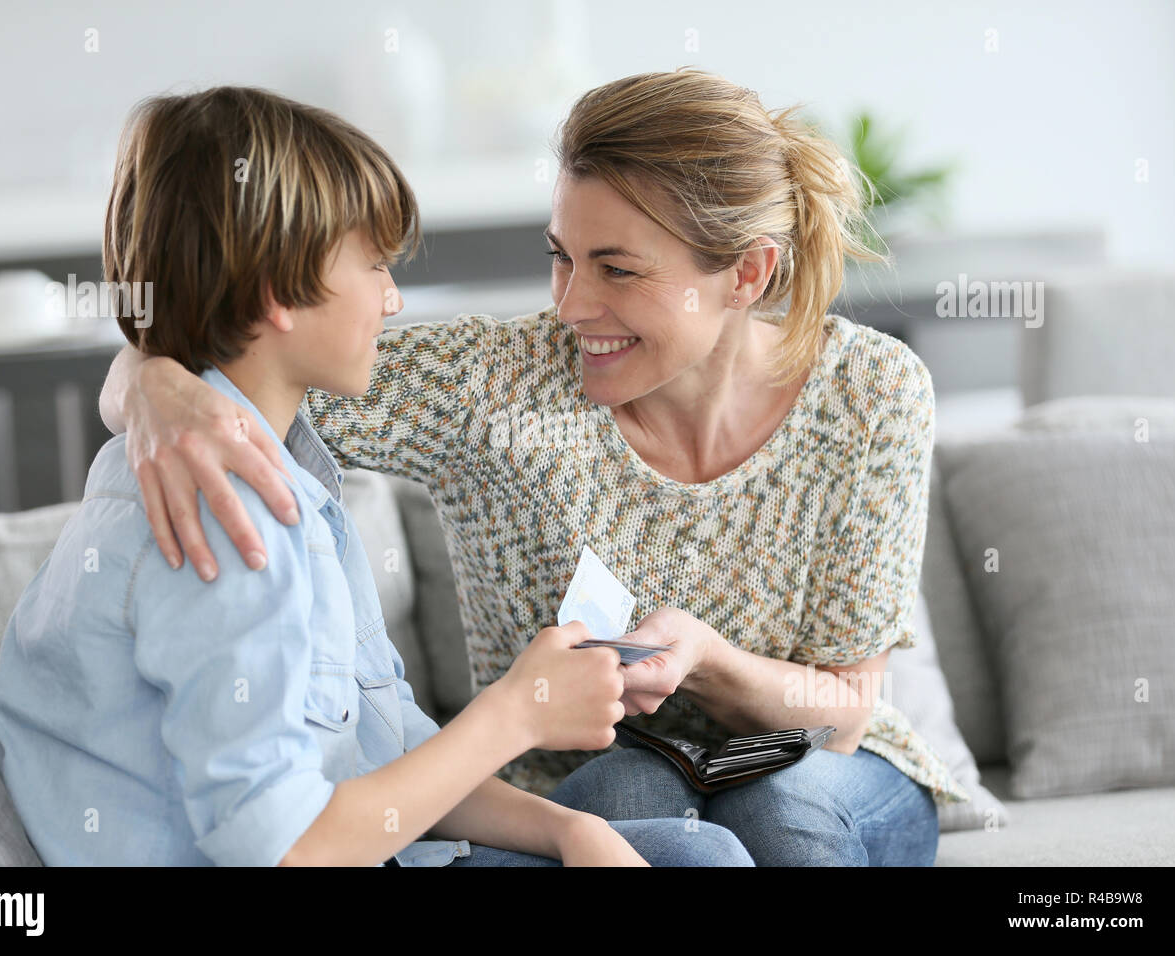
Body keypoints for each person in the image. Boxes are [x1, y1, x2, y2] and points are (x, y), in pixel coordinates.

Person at [100, 70, 971, 867]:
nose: (571, 305)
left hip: (817, 767)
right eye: (561, 254)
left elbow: (847, 713)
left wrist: (707, 659)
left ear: (746, 273)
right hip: (590, 773)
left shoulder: (870, 393)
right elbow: (242, 355)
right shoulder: (493, 385)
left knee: (780, 817)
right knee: (632, 797)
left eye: (617, 270)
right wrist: (152, 390)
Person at [0, 85, 754, 868]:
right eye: (376, 265)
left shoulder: (285, 479)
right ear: (277, 291)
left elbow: (382, 751)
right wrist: (518, 715)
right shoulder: (225, 516)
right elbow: (286, 851)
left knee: (691, 850)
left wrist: (570, 830)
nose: (393, 300)